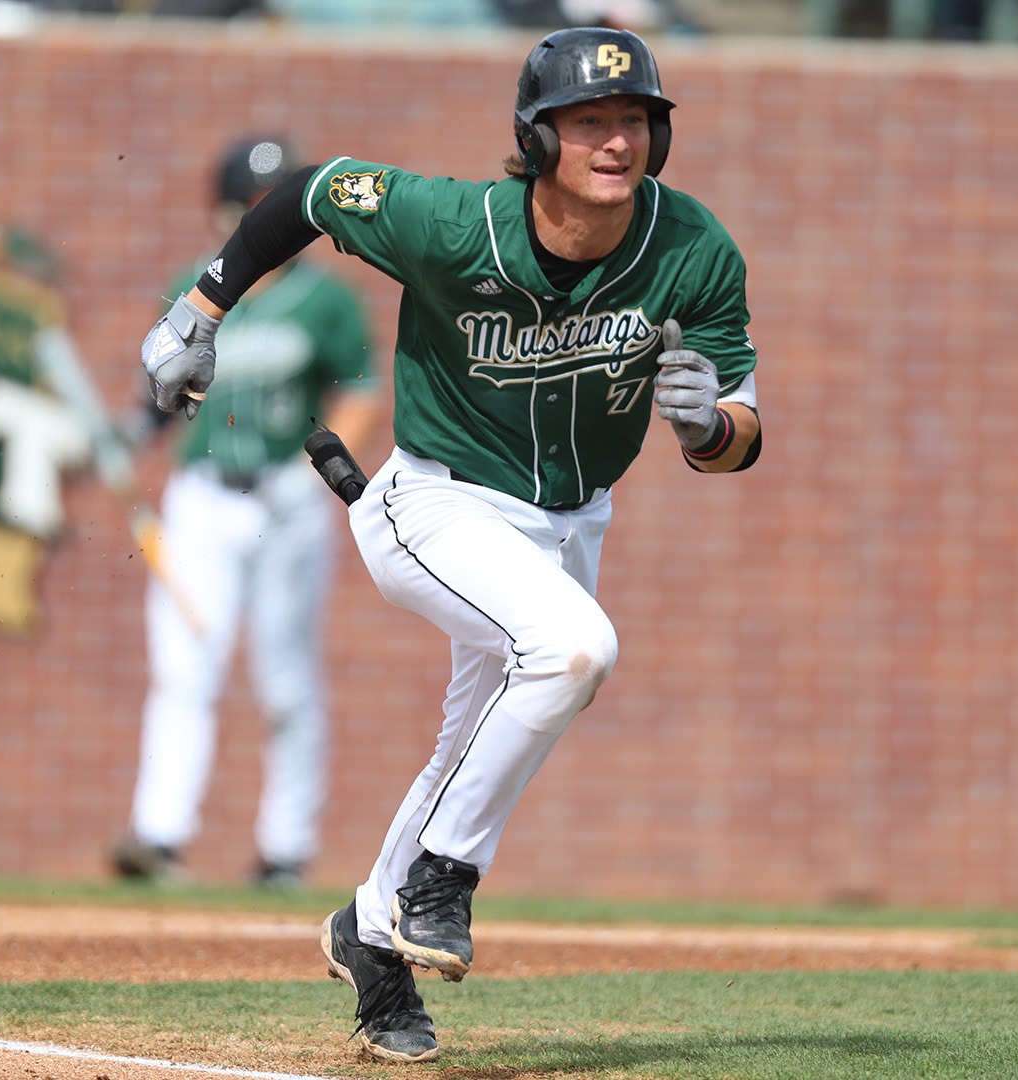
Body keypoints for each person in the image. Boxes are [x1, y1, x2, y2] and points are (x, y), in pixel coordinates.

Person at [137, 27, 761, 1063]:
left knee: (472, 743)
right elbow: (311, 191)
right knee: (576, 649)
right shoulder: (453, 223)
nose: (617, 140)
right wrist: (202, 307)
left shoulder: (692, 246)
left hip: (571, 523)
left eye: (635, 119)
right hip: (432, 502)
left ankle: (369, 934)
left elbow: (741, 432)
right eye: (588, 120)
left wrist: (710, 428)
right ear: (538, 135)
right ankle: (443, 879)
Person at [112, 134, 385, 889]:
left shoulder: (325, 299)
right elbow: (159, 399)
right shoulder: (193, 287)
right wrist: (126, 432)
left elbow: (361, 393)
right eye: (253, 204)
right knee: (184, 671)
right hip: (202, 497)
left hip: (285, 503)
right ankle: (158, 835)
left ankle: (285, 849)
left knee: (285, 680)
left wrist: (313, 473)